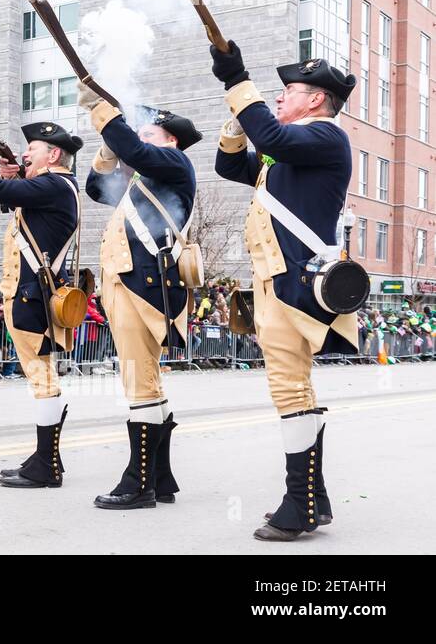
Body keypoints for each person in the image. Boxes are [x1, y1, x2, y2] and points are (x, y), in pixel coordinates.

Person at [211, 45, 357, 541]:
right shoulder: (295, 148)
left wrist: (238, 81)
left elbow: (269, 134)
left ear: (316, 100)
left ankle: (300, 504)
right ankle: (313, 499)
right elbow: (230, 167)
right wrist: (235, 114)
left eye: (289, 91)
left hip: (294, 283)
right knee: (296, 389)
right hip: (279, 279)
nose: (278, 96)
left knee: (290, 390)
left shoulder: (324, 138)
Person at [81, 85, 200, 510]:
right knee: (145, 378)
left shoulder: (172, 161)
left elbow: (140, 151)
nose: (142, 140)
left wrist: (104, 113)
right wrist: (109, 147)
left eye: (149, 134)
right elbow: (96, 188)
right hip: (129, 286)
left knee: (139, 382)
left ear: (171, 139)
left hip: (142, 289)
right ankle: (161, 479)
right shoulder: (145, 177)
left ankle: (139, 483)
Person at [0, 115, 81, 488]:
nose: (26, 154)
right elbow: (7, 198)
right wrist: (15, 177)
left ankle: (47, 464)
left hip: (32, 300)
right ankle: (47, 458)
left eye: (32, 149)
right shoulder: (50, 186)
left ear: (53, 154)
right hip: (29, 297)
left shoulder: (56, 185)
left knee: (43, 380)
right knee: (41, 378)